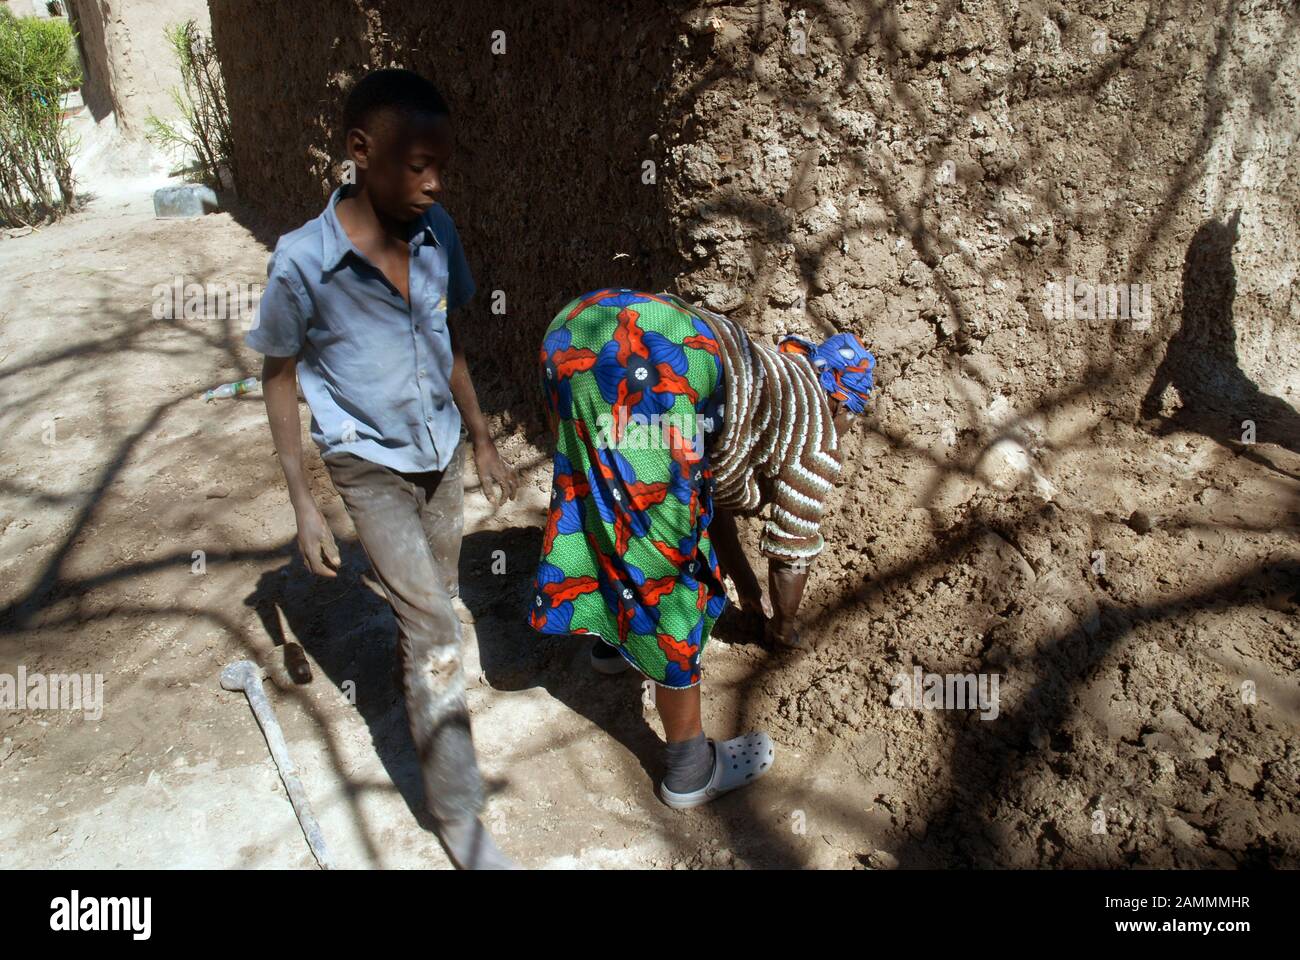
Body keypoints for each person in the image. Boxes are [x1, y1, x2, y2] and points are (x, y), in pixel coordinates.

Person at [246, 68, 520, 869]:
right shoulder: (302, 263)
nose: (434, 184)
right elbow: (278, 374)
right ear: (359, 152)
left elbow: (450, 341)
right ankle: (461, 818)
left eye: (443, 166)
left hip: (437, 450)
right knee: (432, 628)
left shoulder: (440, 235)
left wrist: (480, 434)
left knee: (440, 600)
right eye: (417, 165)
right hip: (366, 466)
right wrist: (304, 501)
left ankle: (427, 702)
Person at [530, 288, 874, 808]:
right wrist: (783, 626)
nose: (849, 428)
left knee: (602, 503)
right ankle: (690, 769)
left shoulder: (773, 380)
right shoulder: (817, 430)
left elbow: (711, 500)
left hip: (579, 326)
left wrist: (744, 582)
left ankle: (612, 645)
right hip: (651, 364)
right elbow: (792, 550)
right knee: (663, 562)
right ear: (840, 400)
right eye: (855, 414)